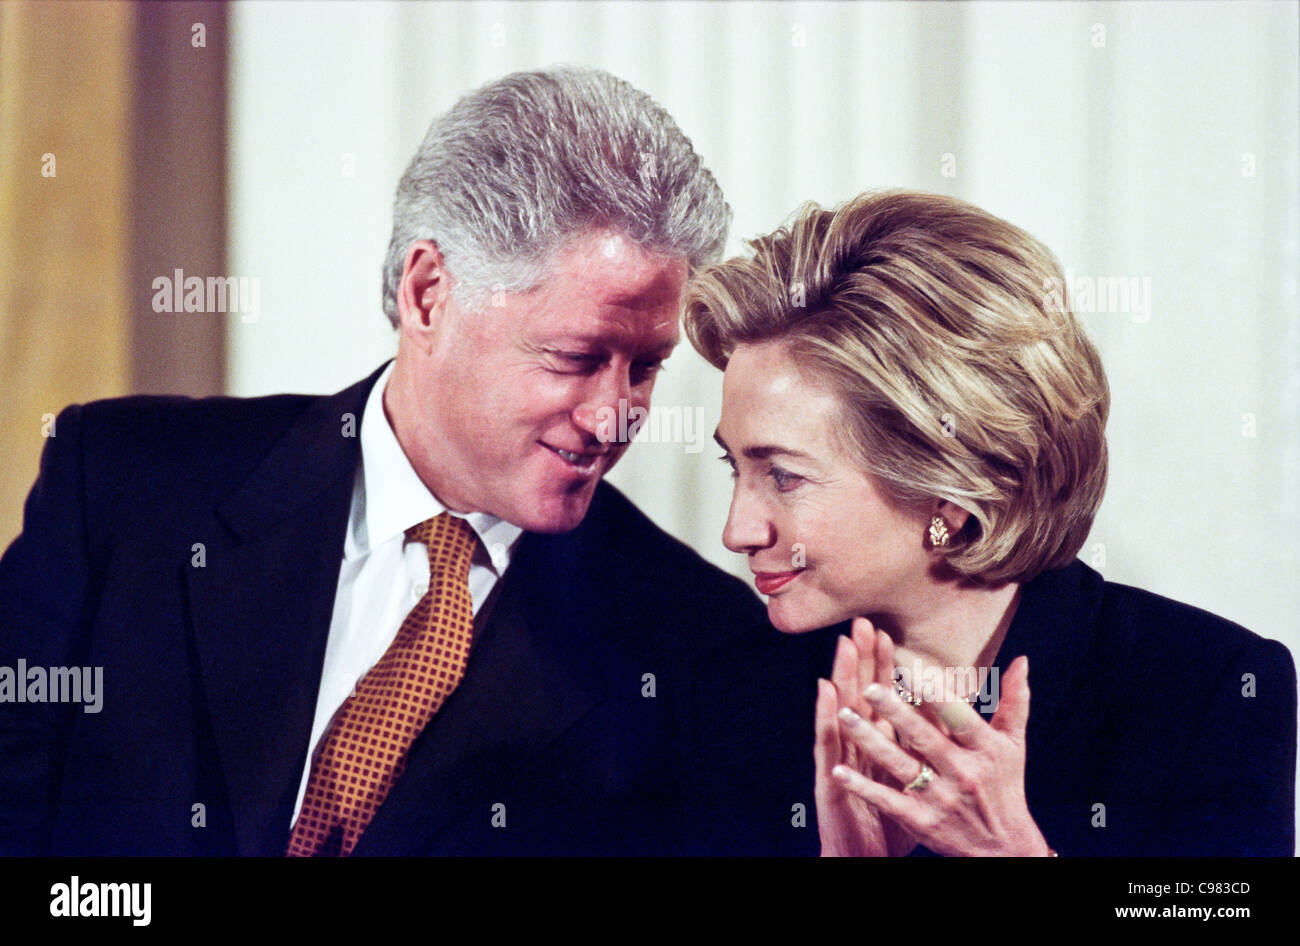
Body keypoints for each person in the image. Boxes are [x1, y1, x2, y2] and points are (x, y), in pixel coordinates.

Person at [0, 66, 812, 856]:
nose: (613, 415)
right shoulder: (121, 484)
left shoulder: (701, 654)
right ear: (427, 294)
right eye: (573, 356)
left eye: (645, 366)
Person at [682, 189, 1297, 856]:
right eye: (735, 467)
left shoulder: (1207, 687)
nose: (737, 531)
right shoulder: (723, 699)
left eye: (784, 476)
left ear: (952, 494)